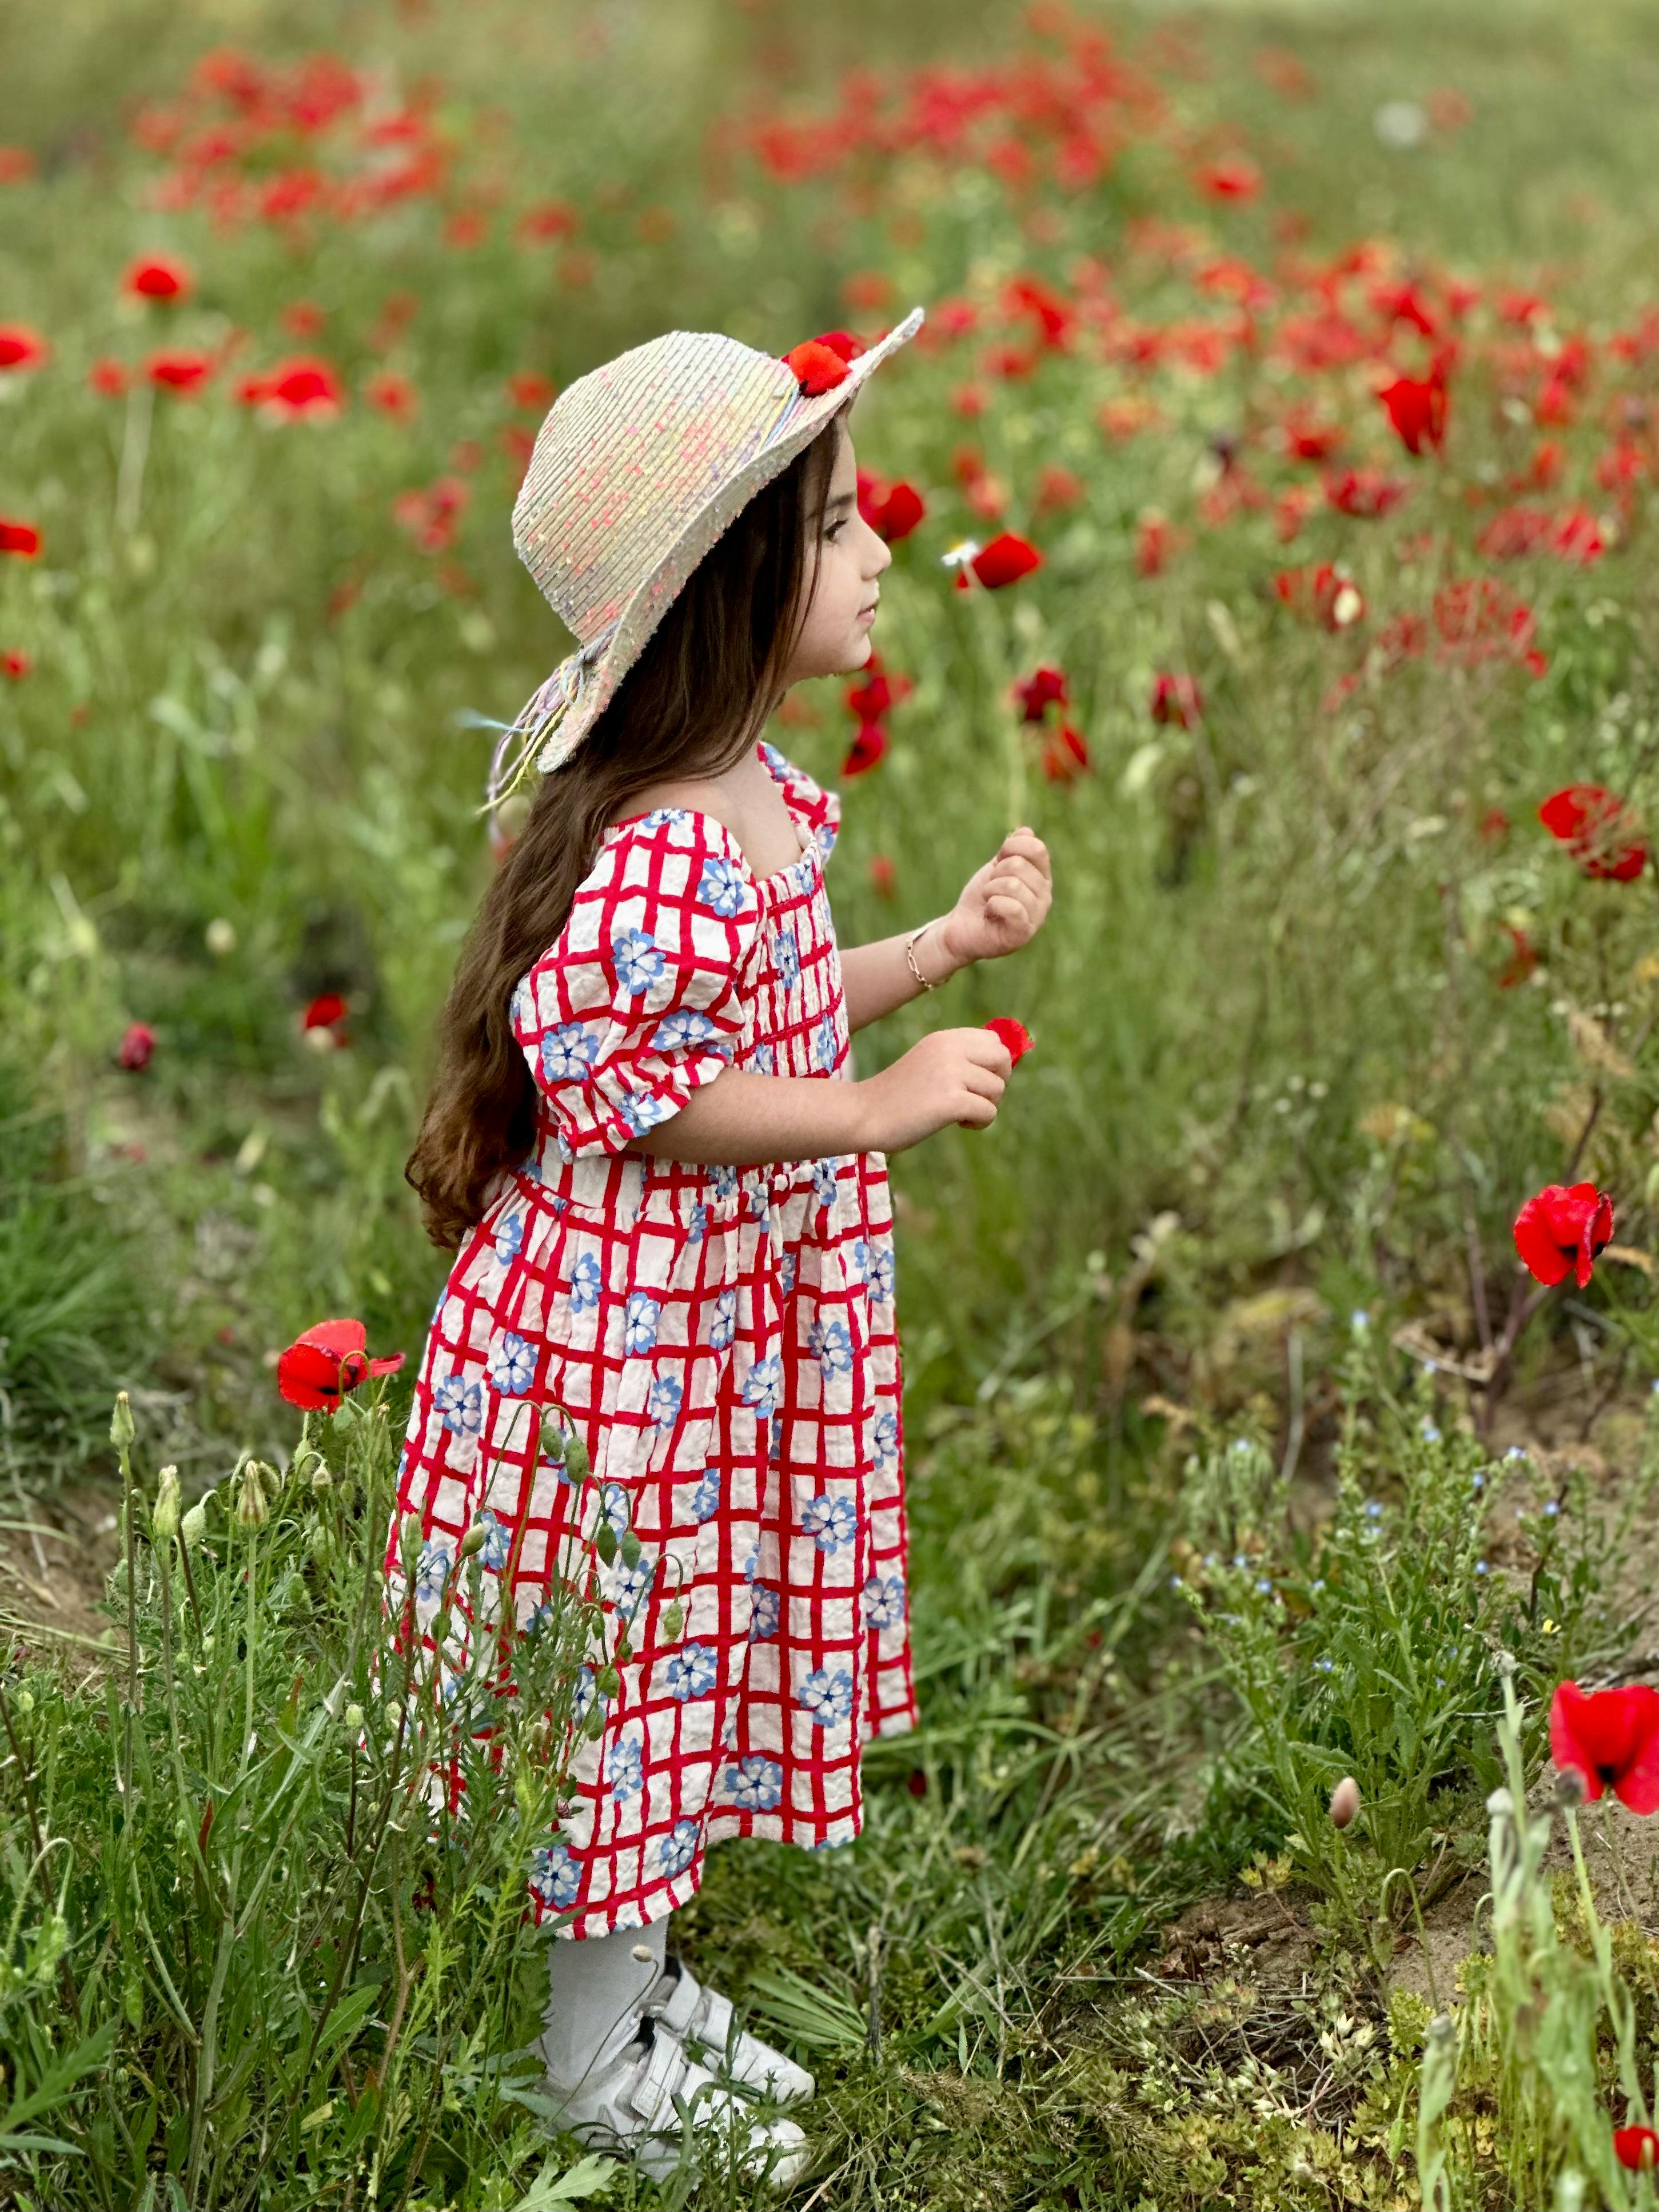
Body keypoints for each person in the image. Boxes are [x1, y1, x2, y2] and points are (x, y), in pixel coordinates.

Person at [391, 307, 1052, 2186]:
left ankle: (638, 1997)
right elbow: (634, 1086)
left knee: (678, 1670)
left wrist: (928, 956)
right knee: (628, 1677)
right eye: (839, 527)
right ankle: (589, 2066)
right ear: (740, 589)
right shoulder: (669, 833)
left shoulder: (742, 793)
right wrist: (870, 1107)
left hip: (706, 1337)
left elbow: (750, 1012)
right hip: (630, 1357)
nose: (882, 551)